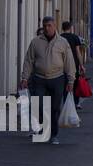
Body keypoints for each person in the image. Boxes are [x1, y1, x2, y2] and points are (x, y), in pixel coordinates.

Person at [20, 16, 77, 144]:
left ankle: (53, 135)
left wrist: (71, 80)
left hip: (57, 79)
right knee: (38, 105)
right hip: (39, 78)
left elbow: (69, 62)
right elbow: (28, 61)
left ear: (55, 26)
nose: (47, 28)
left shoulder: (63, 42)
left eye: (49, 25)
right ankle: (41, 127)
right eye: (45, 26)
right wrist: (24, 77)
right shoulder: (35, 42)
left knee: (55, 108)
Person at [60, 21, 87, 110]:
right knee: (75, 84)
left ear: (62, 28)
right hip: (73, 64)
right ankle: (75, 103)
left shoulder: (59, 38)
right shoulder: (75, 38)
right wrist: (81, 65)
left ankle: (65, 103)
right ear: (71, 28)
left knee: (64, 84)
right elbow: (78, 52)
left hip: (62, 64)